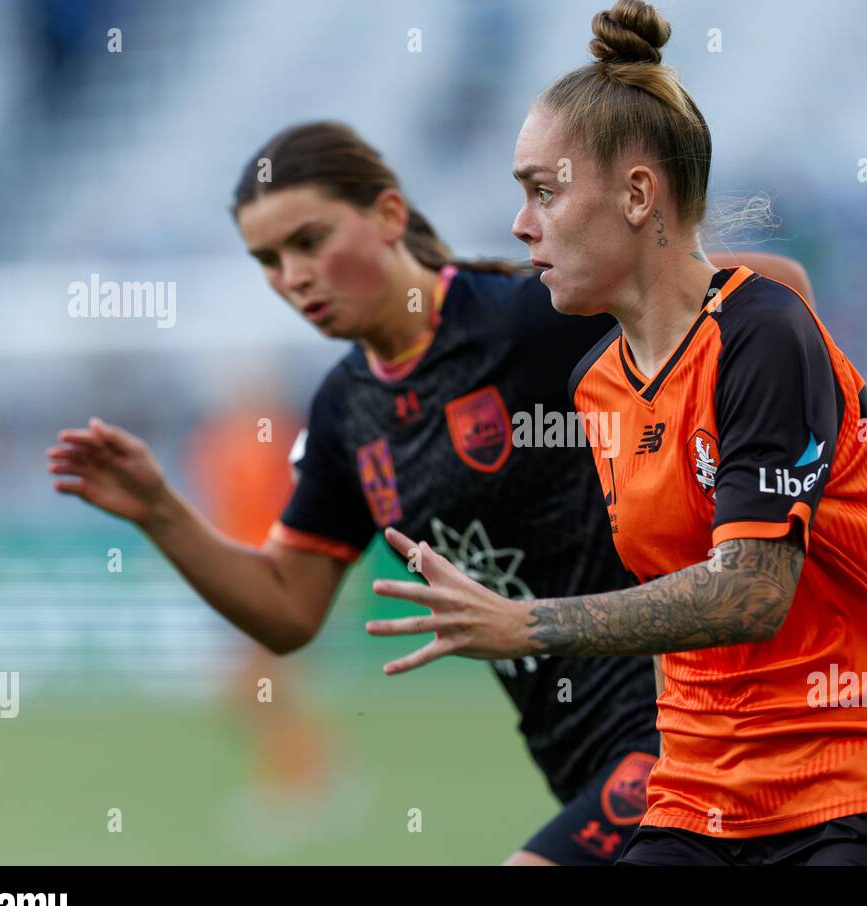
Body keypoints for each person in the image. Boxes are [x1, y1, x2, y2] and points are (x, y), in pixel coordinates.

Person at [47, 119, 813, 865]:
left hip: (688, 737)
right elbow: (286, 607)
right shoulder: (347, 410)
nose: (294, 276)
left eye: (310, 241)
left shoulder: (529, 316)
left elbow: (776, 289)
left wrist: (766, 485)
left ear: (387, 216)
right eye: (269, 260)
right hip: (578, 758)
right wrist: (159, 510)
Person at [365, 0, 867, 865]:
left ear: (639, 193)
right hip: (705, 794)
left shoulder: (763, 334)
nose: (522, 223)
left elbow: (750, 593)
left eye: (543, 191)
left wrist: (533, 623)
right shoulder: (595, 384)